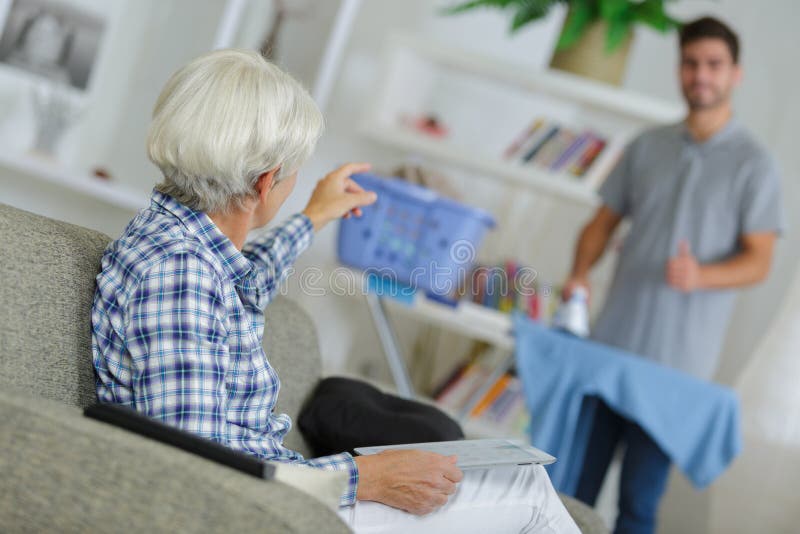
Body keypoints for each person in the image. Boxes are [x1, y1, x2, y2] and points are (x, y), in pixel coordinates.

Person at [91, 49, 578, 533]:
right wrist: (367, 477)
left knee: (512, 479)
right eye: (291, 174)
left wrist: (314, 215)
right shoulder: (179, 274)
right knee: (527, 491)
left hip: (274, 492)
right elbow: (202, 466)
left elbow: (243, 282)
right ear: (265, 184)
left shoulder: (174, 241)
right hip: (253, 514)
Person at [563, 16, 783, 534]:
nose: (701, 75)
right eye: (691, 63)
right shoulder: (646, 146)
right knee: (572, 492)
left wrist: (700, 276)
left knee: (638, 506)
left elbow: (760, 260)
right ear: (679, 69)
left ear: (735, 74)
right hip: (609, 353)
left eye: (714, 64)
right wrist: (579, 273)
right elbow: (600, 224)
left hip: (676, 373)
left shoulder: (755, 165)